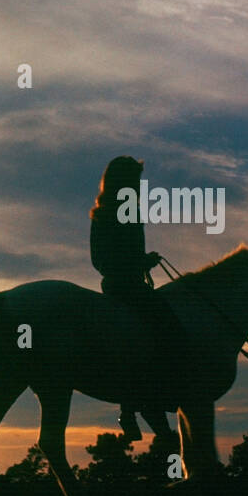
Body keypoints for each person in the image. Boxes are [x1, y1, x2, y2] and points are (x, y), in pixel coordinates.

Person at [89, 155, 165, 441]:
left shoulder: (115, 213)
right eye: (135, 181)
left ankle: (134, 407)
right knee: (162, 328)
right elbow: (103, 260)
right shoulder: (114, 215)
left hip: (128, 284)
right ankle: (139, 404)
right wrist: (141, 264)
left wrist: (143, 261)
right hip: (125, 287)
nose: (139, 186)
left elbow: (106, 259)